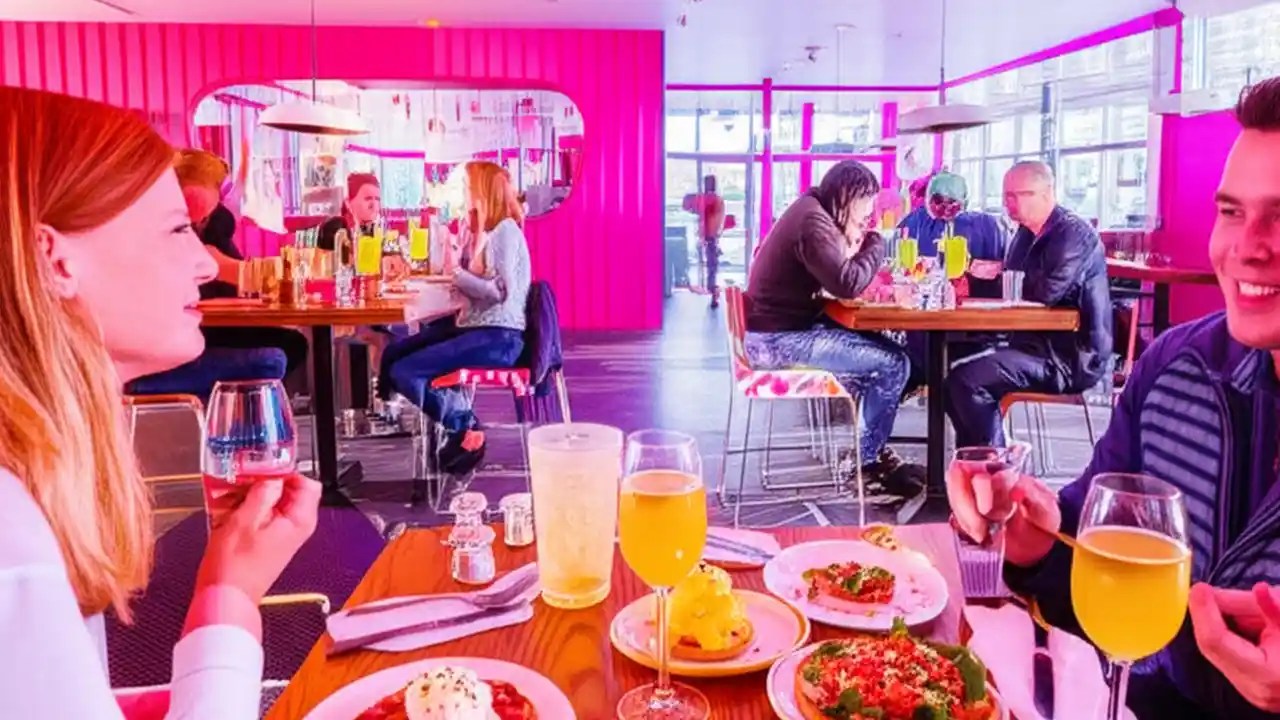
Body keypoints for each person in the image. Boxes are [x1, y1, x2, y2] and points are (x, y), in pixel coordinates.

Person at [947, 77, 1280, 719]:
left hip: (1071, 358)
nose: (1245, 246)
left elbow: (1043, 297)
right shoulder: (1176, 371)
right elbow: (1089, 558)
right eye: (1232, 211)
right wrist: (1032, 536)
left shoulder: (1069, 236)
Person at [0, 87, 320, 717]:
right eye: (178, 230)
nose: (205, 264)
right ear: (53, 259)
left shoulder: (35, 487)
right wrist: (227, 599)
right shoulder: (11, 540)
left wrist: (225, 583)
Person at [744, 161, 921, 503]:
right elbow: (847, 283)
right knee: (893, 364)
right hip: (777, 341)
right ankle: (866, 463)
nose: (868, 215)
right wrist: (875, 243)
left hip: (777, 330)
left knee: (885, 353)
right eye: (866, 206)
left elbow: (836, 278)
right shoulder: (813, 221)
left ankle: (867, 450)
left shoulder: (810, 210)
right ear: (850, 197)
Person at [943, 161, 1112, 447]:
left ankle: (993, 469)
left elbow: (1046, 291)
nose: (1009, 203)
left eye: (1018, 195)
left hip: (1067, 358)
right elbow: (1009, 285)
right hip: (1027, 344)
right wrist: (971, 282)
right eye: (1006, 195)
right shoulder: (1023, 234)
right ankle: (979, 466)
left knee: (966, 381)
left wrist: (998, 275)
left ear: (1047, 193)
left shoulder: (1073, 234)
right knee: (947, 375)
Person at [380, 162, 532, 475]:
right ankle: (450, 421)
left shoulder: (505, 231)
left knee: (405, 371)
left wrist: (457, 275)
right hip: (485, 330)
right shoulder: (494, 230)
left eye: (467, 187)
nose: (464, 193)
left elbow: (500, 291)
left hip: (497, 338)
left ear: (481, 190)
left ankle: (464, 423)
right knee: (396, 355)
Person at [172, 149, 309, 377]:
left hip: (212, 320)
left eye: (203, 216)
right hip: (196, 330)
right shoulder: (182, 235)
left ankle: (255, 408)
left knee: (292, 342)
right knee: (287, 346)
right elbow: (219, 271)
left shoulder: (214, 223)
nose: (197, 221)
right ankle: (250, 407)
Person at [683, 175, 726, 308]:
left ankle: (711, 289)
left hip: (705, 237)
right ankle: (712, 290)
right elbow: (720, 220)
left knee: (710, 265)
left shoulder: (702, 199)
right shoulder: (717, 200)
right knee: (712, 266)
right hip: (711, 237)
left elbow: (686, 205)